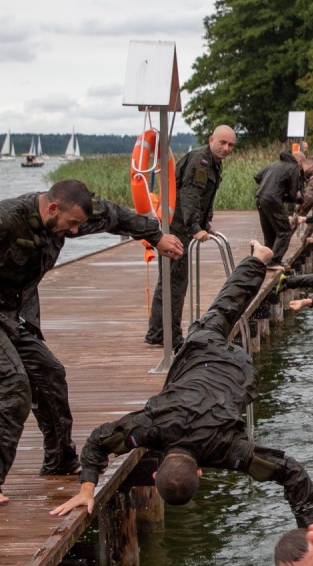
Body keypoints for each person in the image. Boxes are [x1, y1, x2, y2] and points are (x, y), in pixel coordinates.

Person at [49, 241, 313, 527]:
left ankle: (257, 261)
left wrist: (310, 529)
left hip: (239, 373)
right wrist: (86, 487)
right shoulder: (148, 429)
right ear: (156, 474)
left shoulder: (228, 452)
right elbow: (97, 441)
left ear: (200, 475)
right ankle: (257, 260)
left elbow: (291, 471)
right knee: (223, 309)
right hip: (201, 354)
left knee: (222, 320)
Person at [0, 180, 184, 505]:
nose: (74, 231)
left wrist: (155, 236)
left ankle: (59, 460)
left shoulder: (69, 217)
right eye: (71, 224)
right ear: (52, 208)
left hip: (15, 315)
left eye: (78, 225)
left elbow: (113, 215)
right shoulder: (7, 219)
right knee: (15, 387)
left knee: (51, 375)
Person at [145, 124, 237, 349]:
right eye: (222, 143)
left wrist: (206, 224)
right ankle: (166, 334)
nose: (226, 148)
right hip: (177, 228)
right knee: (174, 280)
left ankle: (159, 331)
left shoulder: (214, 162)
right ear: (211, 139)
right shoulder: (201, 161)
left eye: (231, 145)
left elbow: (206, 197)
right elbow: (189, 195)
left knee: (173, 279)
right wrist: (195, 227)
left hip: (181, 226)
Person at [254, 149, 313, 267]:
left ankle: (268, 259)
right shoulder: (294, 168)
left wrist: (271, 185)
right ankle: (274, 261)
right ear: (300, 162)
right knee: (285, 231)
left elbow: (257, 177)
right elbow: (293, 193)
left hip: (260, 197)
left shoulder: (274, 164)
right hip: (273, 199)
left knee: (270, 232)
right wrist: (296, 198)